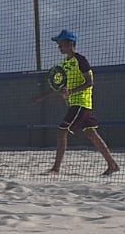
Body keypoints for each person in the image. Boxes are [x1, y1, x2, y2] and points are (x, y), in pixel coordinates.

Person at [41, 30, 120, 177]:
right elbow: (62, 85)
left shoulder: (80, 60)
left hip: (81, 103)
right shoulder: (64, 63)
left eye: (61, 43)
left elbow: (89, 83)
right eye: (58, 44)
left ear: (70, 44)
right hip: (75, 103)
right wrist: (45, 96)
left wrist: (71, 91)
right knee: (91, 134)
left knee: (61, 131)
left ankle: (55, 169)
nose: (59, 47)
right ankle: (112, 165)